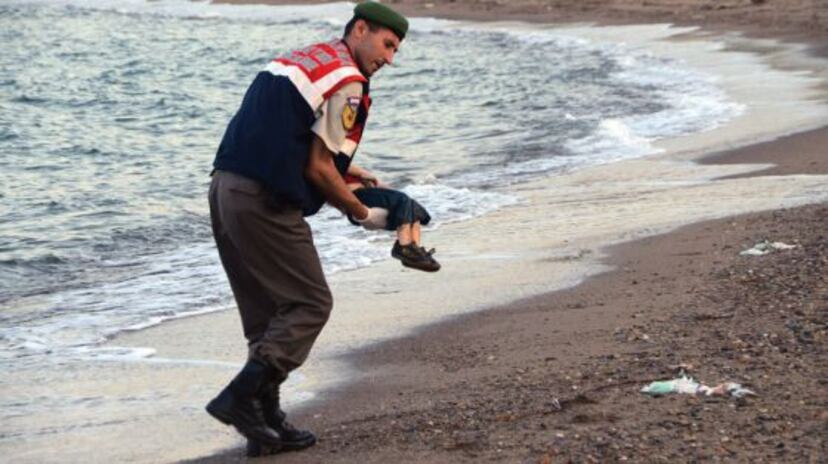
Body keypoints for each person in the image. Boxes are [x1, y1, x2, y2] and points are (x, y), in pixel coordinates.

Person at [204, 2, 409, 456]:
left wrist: (352, 174)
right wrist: (361, 213)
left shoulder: (306, 57)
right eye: (387, 44)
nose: (389, 59)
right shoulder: (349, 82)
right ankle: (239, 397)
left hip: (224, 189)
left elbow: (287, 137)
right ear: (360, 29)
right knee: (310, 303)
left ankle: (264, 425)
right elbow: (318, 169)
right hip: (263, 201)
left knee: (265, 316)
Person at [344, 164, 441, 272]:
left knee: (411, 205)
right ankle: (404, 247)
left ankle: (415, 253)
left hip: (367, 191)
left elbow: (378, 184)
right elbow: (340, 163)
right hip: (356, 195)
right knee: (402, 200)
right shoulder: (335, 159)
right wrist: (363, 173)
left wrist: (393, 194)